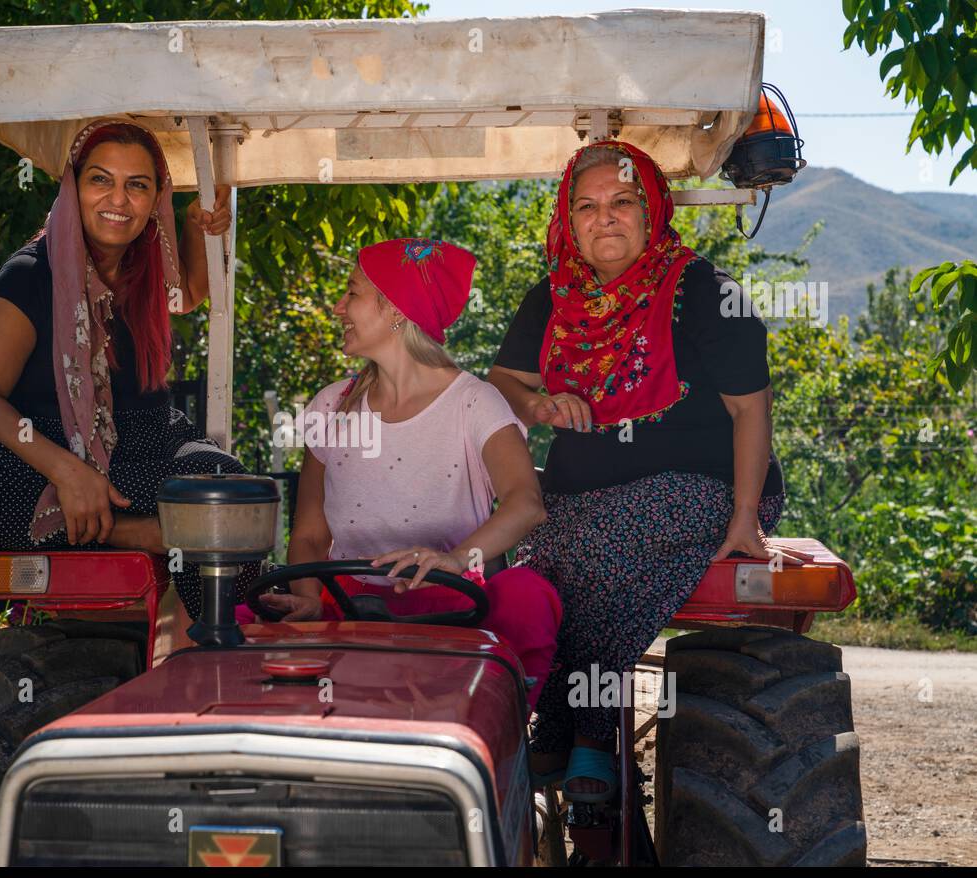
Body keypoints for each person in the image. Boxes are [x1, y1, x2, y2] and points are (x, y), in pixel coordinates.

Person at [488, 140, 808, 802]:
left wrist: (746, 515)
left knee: (603, 542)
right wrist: (537, 402)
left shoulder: (707, 294)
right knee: (543, 555)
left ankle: (584, 734)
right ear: (568, 221)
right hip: (580, 498)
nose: (605, 218)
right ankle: (564, 731)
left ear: (653, 209)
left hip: (710, 491)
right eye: (588, 206)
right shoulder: (551, 297)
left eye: (623, 202)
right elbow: (504, 380)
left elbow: (752, 409)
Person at [0, 120, 261, 621]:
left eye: (137, 184)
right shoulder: (31, 274)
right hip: (50, 453)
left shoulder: (150, 265)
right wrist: (69, 474)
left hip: (144, 456)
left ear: (156, 196)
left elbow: (190, 293)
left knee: (230, 491)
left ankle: (211, 644)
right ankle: (132, 531)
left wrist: (197, 224)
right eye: (101, 179)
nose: (118, 198)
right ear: (73, 186)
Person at [244, 238, 562, 707]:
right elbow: (309, 536)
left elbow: (526, 504)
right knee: (234, 620)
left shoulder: (476, 402)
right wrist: (310, 600)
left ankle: (495, 735)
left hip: (448, 607)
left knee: (525, 596)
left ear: (395, 309)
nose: (338, 307)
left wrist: (456, 559)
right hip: (345, 604)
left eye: (351, 294)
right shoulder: (329, 404)